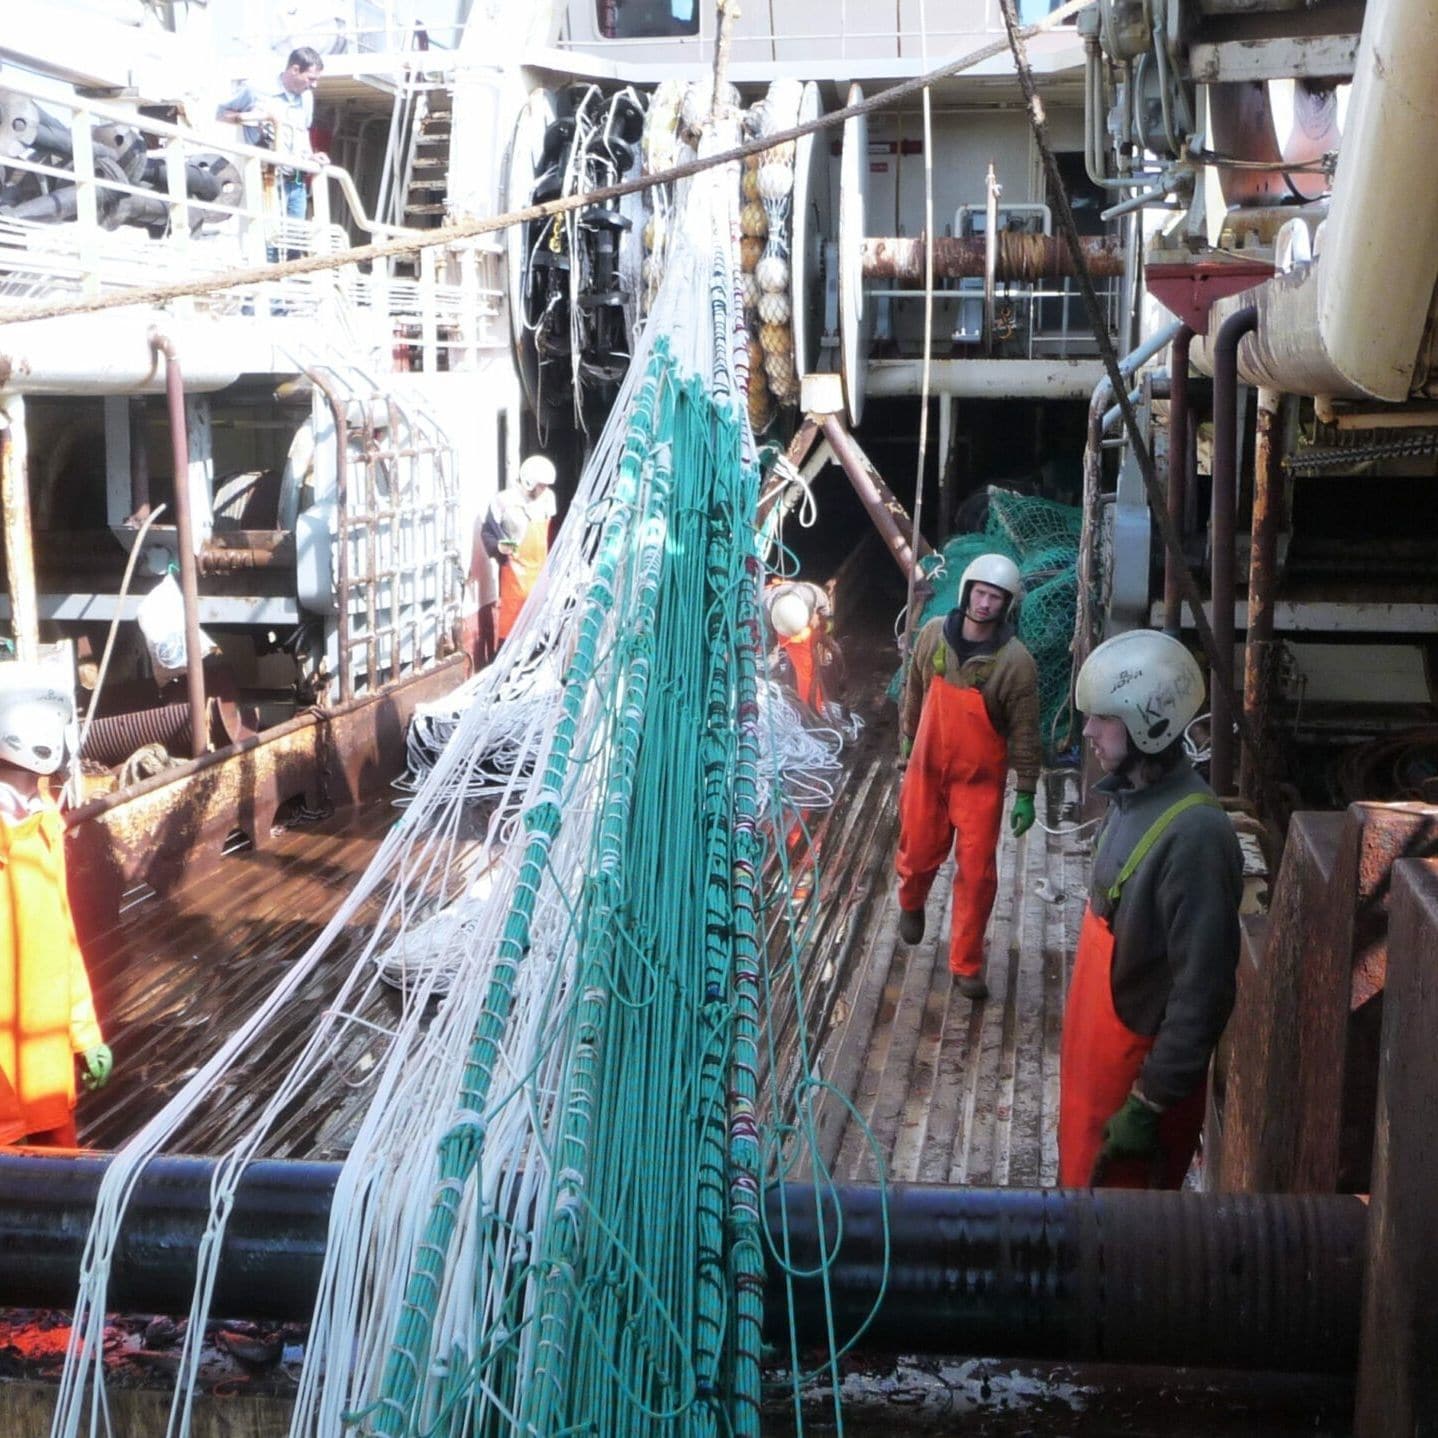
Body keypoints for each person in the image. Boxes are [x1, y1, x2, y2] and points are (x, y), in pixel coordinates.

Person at [1059, 629, 1242, 1189]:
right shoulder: (1128, 799)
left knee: (1119, 1258)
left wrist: (1149, 1103)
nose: (1088, 731)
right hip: (1093, 1078)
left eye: (1103, 719)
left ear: (1148, 724)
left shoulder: (1195, 835)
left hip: (1132, 1096)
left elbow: (1203, 993)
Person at [896, 553, 1040, 1001]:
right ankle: (911, 902)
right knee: (917, 851)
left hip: (979, 782)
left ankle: (966, 966)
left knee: (977, 875)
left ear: (1007, 605)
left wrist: (1027, 793)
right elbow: (914, 691)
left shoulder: (1016, 663)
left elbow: (1025, 731)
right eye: (979, 592)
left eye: (994, 598)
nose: (984, 603)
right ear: (966, 592)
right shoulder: (933, 635)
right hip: (927, 768)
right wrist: (906, 743)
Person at [0, 665, 112, 1147]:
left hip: (43, 1068)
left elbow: (62, 942)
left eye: (33, 785)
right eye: (17, 784)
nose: (29, 797)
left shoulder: (45, 825)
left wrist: (84, 1035)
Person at [216, 47, 328, 247]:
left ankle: (290, 276)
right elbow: (221, 113)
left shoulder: (307, 98)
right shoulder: (256, 90)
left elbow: (303, 131)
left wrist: (312, 156)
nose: (315, 85)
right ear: (295, 70)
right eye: (311, 79)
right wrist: (246, 117)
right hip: (267, 177)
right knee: (270, 240)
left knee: (294, 242)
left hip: (296, 179)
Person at [481, 455, 558, 643]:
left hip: (541, 573)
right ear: (529, 481)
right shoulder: (503, 501)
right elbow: (488, 533)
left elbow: (554, 534)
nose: (544, 489)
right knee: (512, 628)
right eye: (541, 485)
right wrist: (499, 547)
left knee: (540, 627)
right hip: (514, 576)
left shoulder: (548, 499)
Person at [763, 579, 846, 719]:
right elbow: (768, 655)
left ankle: (812, 712)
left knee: (807, 671)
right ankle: (788, 706)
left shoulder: (812, 594)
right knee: (771, 676)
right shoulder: (762, 620)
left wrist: (823, 627)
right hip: (774, 621)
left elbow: (828, 616)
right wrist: (775, 684)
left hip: (798, 619)